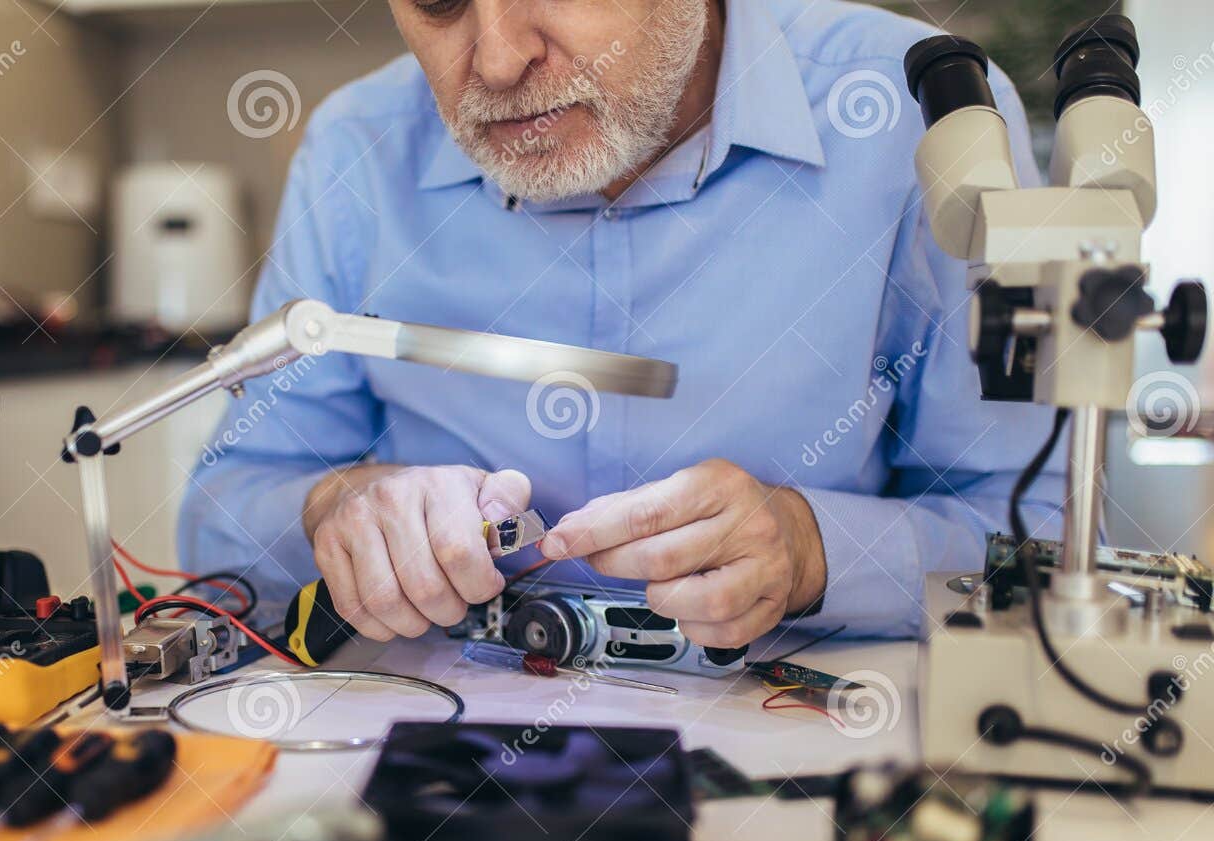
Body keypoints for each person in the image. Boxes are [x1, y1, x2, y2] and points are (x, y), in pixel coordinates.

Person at [179, 0, 1063, 648]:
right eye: (441, 1)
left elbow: (1043, 537)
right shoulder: (356, 151)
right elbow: (223, 512)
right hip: (440, 756)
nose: (494, 60)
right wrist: (338, 508)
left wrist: (809, 550)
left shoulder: (927, 116)